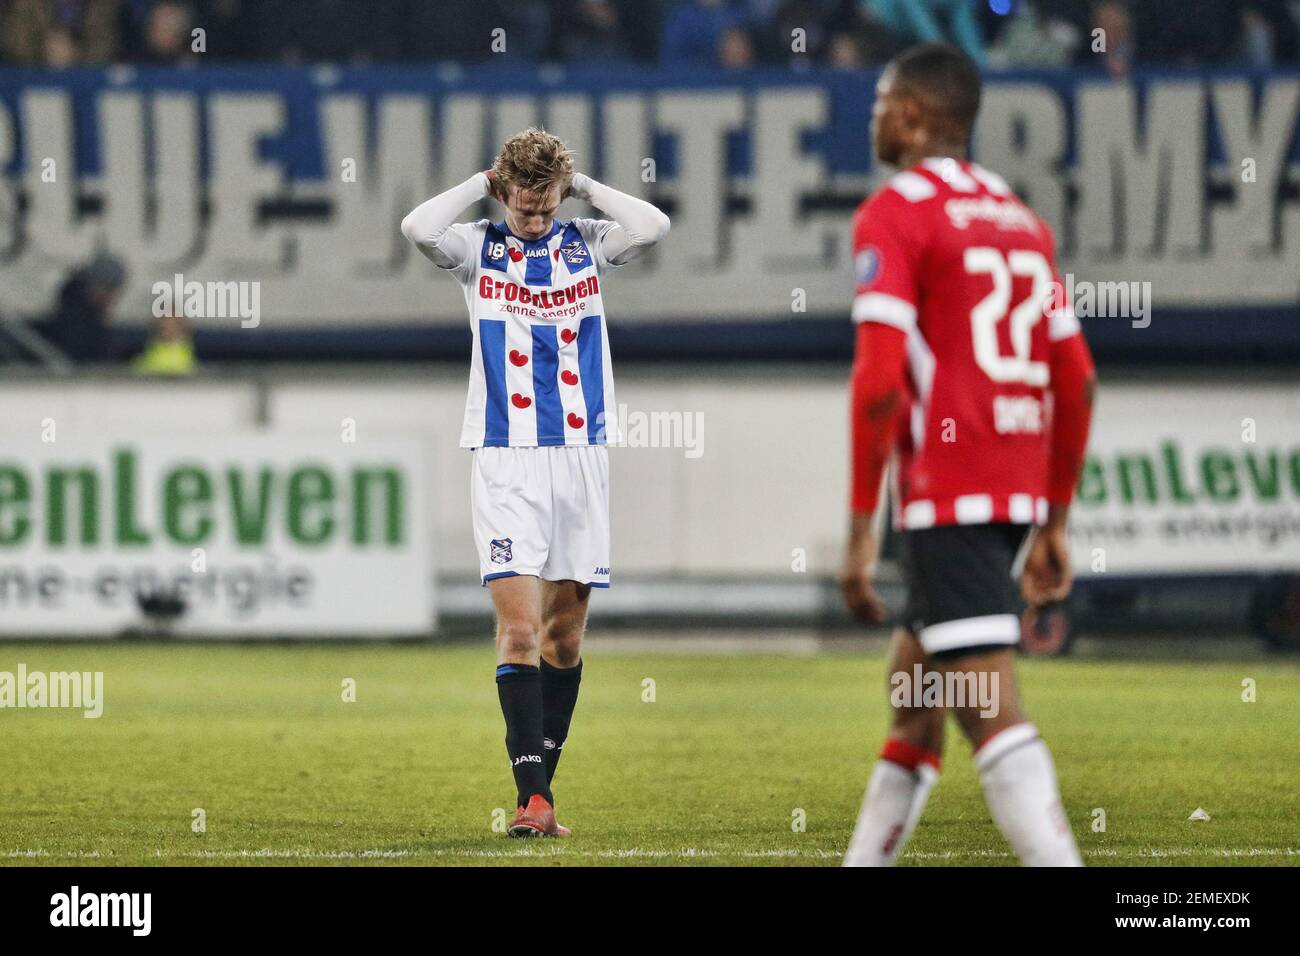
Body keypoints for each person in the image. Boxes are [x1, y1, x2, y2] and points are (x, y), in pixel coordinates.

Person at [839, 43, 1096, 866]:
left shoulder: (897, 211)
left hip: (945, 493)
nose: (873, 114)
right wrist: (1053, 520)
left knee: (990, 708)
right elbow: (1078, 379)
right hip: (1011, 494)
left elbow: (879, 383)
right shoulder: (1023, 220)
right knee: (914, 698)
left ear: (912, 114)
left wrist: (856, 528)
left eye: (881, 98)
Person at [400, 128, 670, 838]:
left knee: (564, 638)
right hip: (505, 455)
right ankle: (532, 799)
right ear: (505, 189)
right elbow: (416, 226)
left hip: (581, 455)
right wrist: (478, 183)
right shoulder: (476, 249)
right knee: (517, 630)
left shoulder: (586, 241)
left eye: (544, 205)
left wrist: (579, 186)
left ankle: (542, 787)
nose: (533, 217)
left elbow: (655, 224)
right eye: (522, 204)